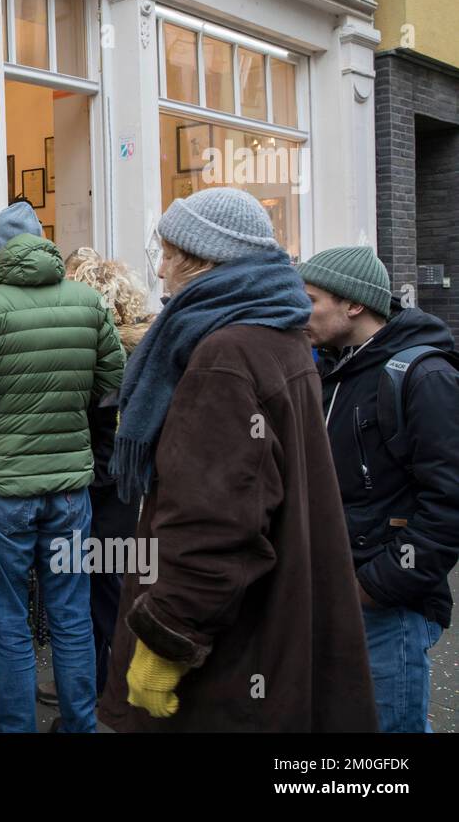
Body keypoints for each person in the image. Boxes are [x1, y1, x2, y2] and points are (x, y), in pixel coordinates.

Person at [98, 188, 376, 732]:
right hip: (272, 622)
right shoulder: (278, 333)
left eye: (167, 254)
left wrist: (164, 643)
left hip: (233, 653)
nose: (159, 273)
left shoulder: (223, 354)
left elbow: (215, 524)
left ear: (197, 259)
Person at [0, 203, 125, 732]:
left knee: (7, 616)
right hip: (71, 489)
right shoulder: (89, 303)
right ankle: (79, 726)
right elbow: (112, 381)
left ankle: (18, 727)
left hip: (7, 490)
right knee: (71, 612)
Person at [299, 245, 459, 732]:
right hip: (343, 592)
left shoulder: (425, 375)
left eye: (310, 299)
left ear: (353, 304)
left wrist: (378, 584)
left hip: (390, 607)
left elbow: (449, 502)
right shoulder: (335, 368)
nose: (298, 311)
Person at [63, 248, 152, 699]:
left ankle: (115, 697)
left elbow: (106, 438)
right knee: (113, 592)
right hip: (129, 494)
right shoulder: (143, 349)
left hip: (104, 496)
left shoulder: (107, 357)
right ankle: (101, 689)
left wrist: (79, 475)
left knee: (106, 598)